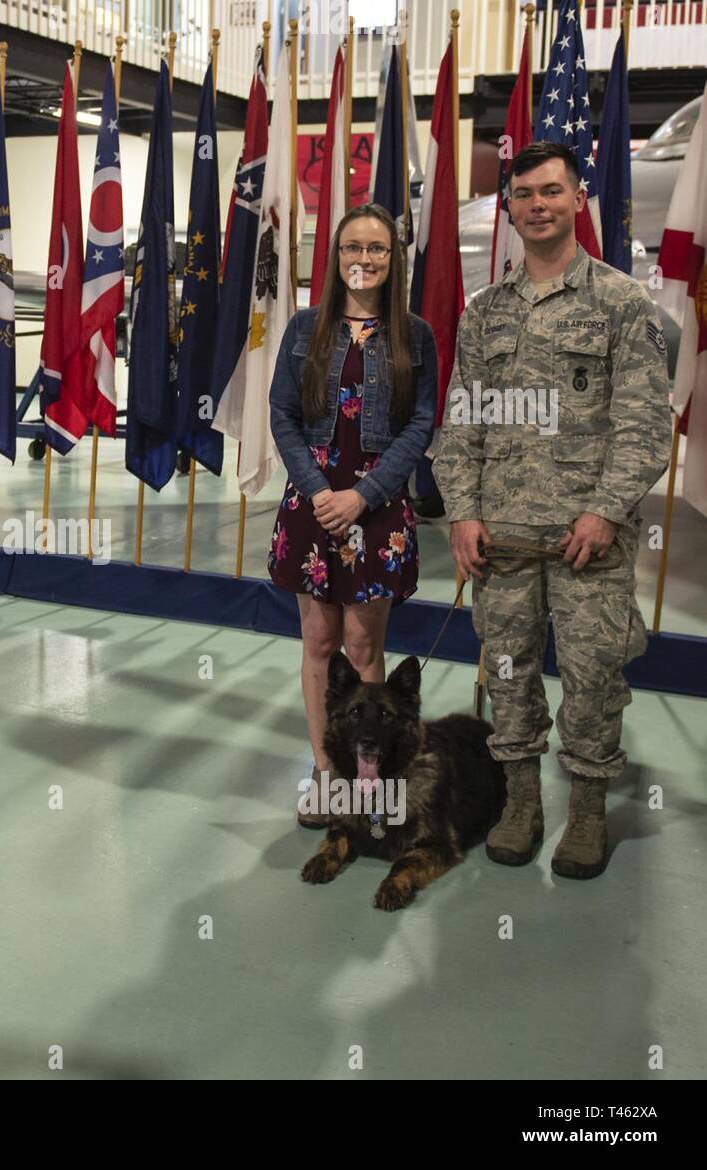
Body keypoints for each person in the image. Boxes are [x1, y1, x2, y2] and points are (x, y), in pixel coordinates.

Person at [432, 141, 672, 879]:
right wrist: (463, 514)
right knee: (507, 672)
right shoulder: (485, 314)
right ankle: (522, 804)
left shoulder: (622, 303)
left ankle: (589, 814)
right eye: (525, 194)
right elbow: (460, 426)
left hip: (586, 543)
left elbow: (644, 427)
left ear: (577, 201)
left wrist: (603, 511)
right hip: (500, 541)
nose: (537, 205)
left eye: (551, 192)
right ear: (510, 207)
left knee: (594, 678)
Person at [268, 204, 438, 826]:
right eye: (351, 249)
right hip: (312, 505)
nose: (363, 259)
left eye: (377, 249)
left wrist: (363, 495)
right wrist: (318, 490)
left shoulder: (415, 335)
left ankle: (371, 779)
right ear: (336, 258)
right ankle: (326, 769)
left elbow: (421, 423)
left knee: (365, 647)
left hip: (378, 506)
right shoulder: (305, 328)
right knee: (318, 642)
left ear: (393, 260)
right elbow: (282, 414)